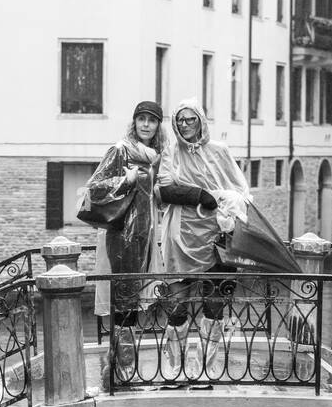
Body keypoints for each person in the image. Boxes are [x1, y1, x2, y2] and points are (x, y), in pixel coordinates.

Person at [157, 98, 250, 379]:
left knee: (214, 305)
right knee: (176, 307)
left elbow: (241, 190)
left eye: (190, 119)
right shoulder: (170, 152)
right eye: (180, 121)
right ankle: (177, 368)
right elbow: (163, 189)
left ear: (201, 120)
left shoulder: (219, 151)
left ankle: (207, 368)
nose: (185, 125)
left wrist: (225, 201)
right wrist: (199, 195)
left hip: (216, 238)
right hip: (180, 237)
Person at [78, 100, 166, 385]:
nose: (145, 125)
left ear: (158, 125)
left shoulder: (156, 156)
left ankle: (121, 370)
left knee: (134, 304)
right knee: (123, 304)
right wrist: (125, 180)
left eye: (151, 120)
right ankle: (119, 373)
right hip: (120, 237)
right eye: (141, 119)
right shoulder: (120, 150)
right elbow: (94, 189)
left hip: (144, 236)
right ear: (134, 122)